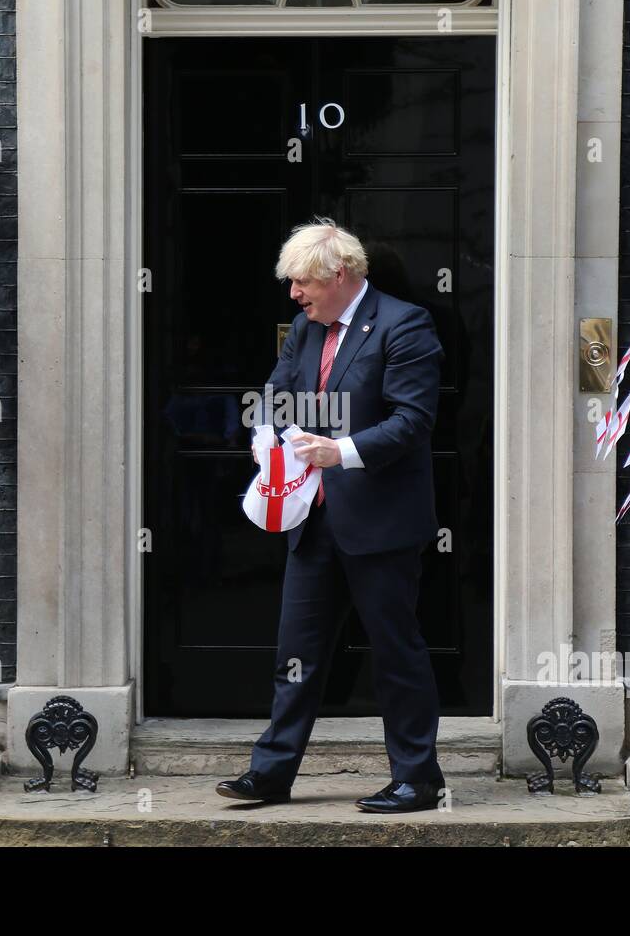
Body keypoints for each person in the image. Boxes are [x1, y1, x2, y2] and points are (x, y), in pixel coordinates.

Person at [216, 217, 446, 813]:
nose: (294, 294)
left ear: (338, 275)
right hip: (312, 521)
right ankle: (271, 774)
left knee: (396, 653)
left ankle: (418, 778)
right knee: (296, 653)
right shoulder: (304, 328)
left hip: (381, 522)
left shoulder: (405, 324)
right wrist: (265, 434)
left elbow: (413, 420)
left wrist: (338, 451)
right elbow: (277, 393)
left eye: (302, 283)